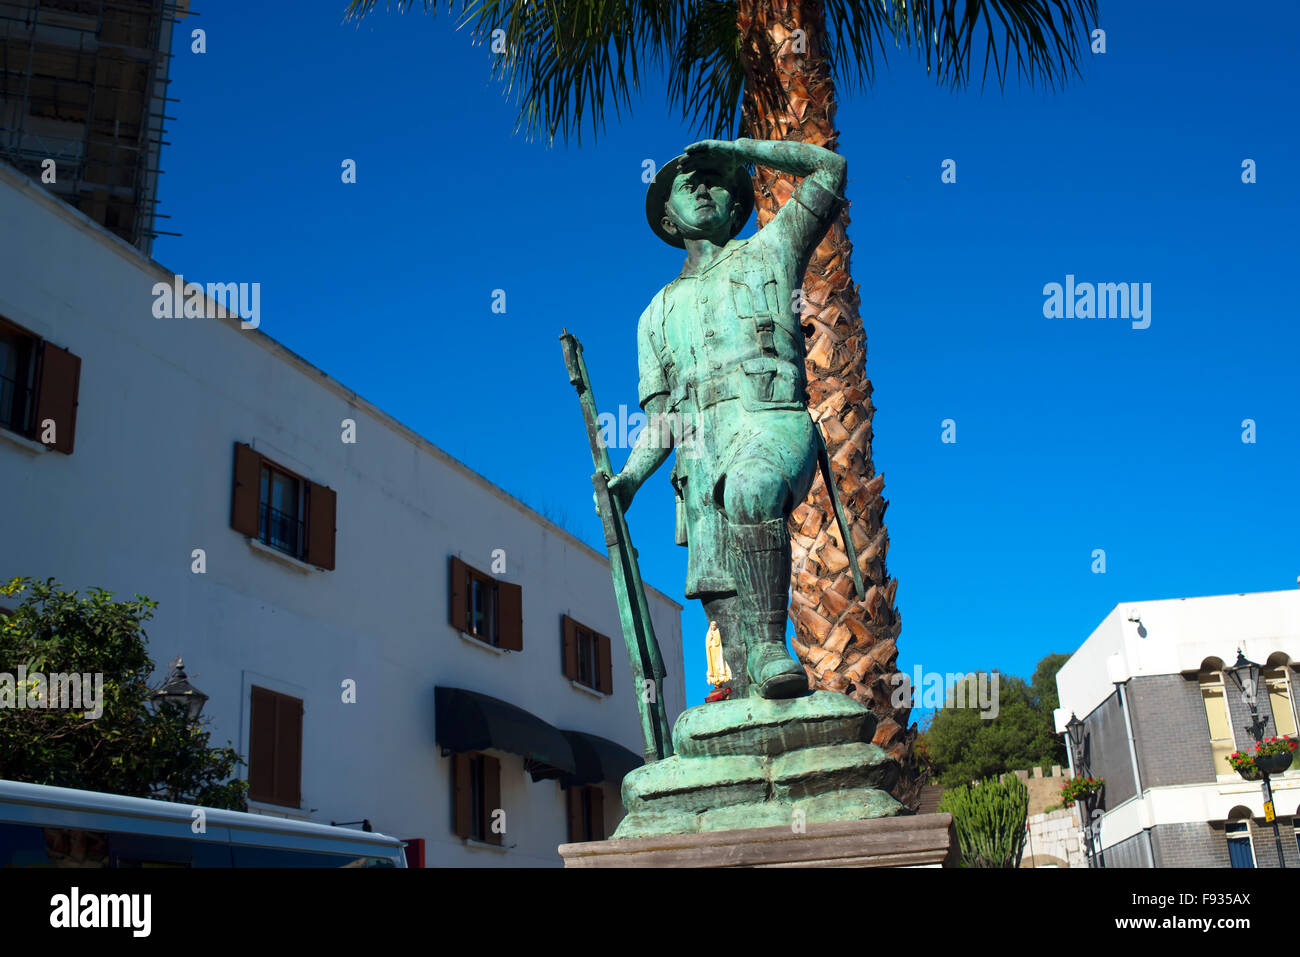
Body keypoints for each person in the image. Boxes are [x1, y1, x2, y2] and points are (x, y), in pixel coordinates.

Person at [607, 137, 848, 699]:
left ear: (738, 205)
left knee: (752, 486)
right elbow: (663, 420)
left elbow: (830, 168)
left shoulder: (770, 250)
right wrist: (629, 481)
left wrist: (741, 147)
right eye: (690, 186)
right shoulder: (654, 316)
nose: (704, 189)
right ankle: (744, 700)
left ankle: (770, 648)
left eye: (717, 180)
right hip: (699, 454)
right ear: (669, 216)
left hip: (769, 419)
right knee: (721, 594)